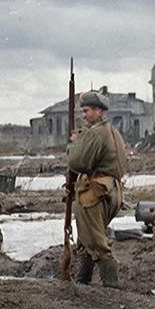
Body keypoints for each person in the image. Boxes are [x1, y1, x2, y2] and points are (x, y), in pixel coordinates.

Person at [68, 90, 126, 288]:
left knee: (96, 244)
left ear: (100, 111)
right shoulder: (112, 132)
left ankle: (112, 288)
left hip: (95, 193)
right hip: (111, 191)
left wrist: (74, 144)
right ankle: (82, 283)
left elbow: (77, 162)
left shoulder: (95, 132)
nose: (83, 115)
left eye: (87, 111)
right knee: (86, 240)